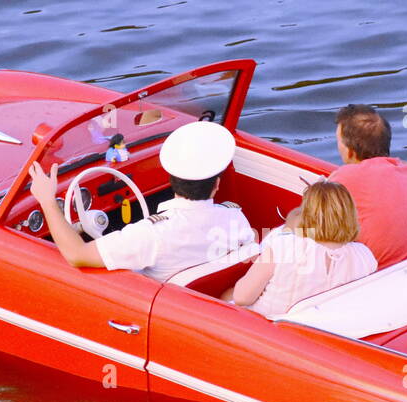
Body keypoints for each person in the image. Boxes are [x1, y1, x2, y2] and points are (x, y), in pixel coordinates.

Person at [30, 120, 254, 282]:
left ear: (170, 178)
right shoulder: (235, 218)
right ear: (216, 185)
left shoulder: (151, 235)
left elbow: (77, 255)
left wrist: (48, 201)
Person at [321, 104, 407, 268]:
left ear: (350, 151)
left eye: (338, 141)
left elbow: (318, 231)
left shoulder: (344, 177)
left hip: (383, 275)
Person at [232, 180, 377, 318]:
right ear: (350, 215)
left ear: (306, 214)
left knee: (227, 295)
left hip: (270, 327)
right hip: (320, 329)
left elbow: (241, 298)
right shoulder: (364, 256)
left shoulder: (282, 246)